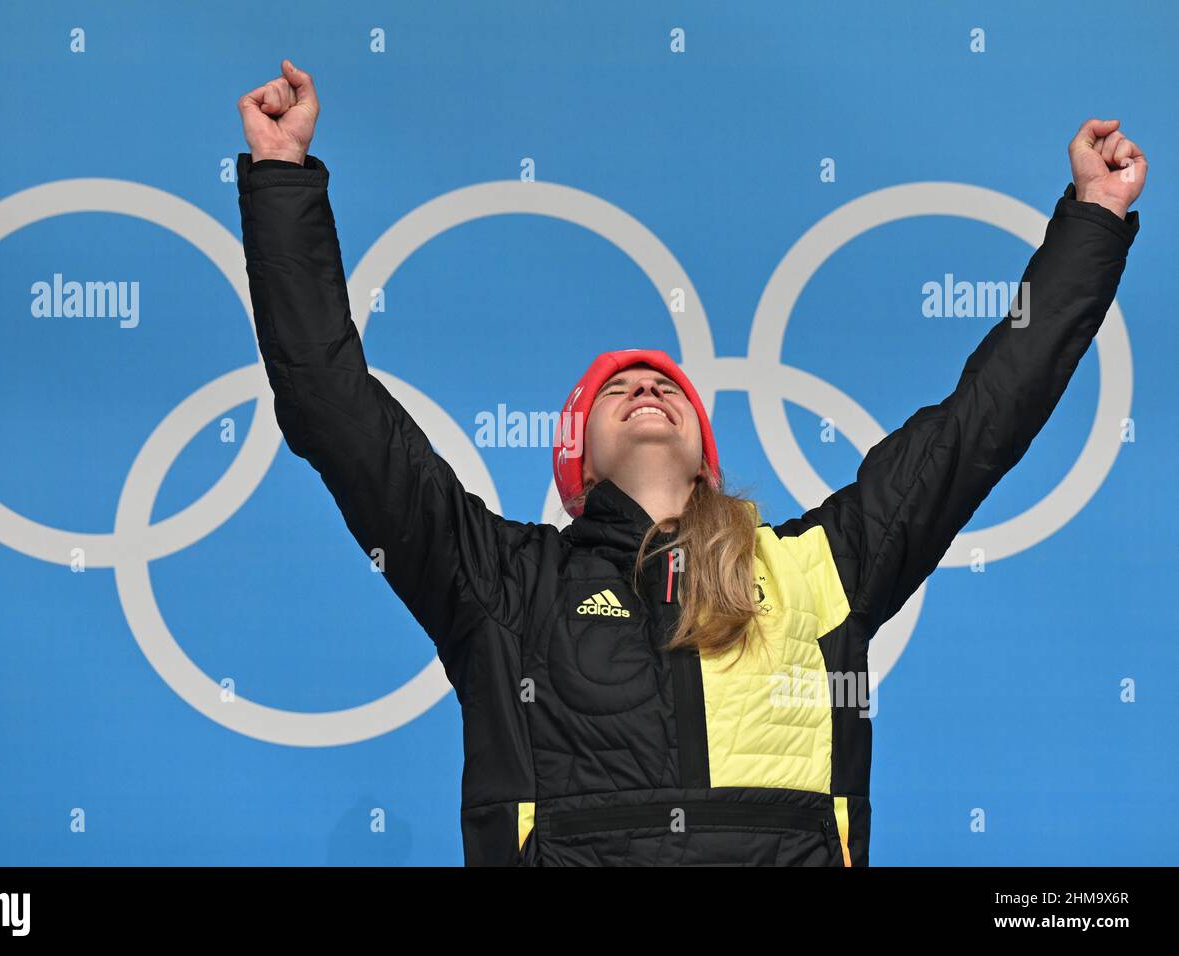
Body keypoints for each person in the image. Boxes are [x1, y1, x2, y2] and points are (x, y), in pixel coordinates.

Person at [236, 58, 1145, 866]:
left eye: (665, 383)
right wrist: (283, 180)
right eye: (614, 388)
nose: (644, 386)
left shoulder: (815, 569)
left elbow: (984, 420)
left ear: (706, 453)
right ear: (575, 457)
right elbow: (330, 403)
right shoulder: (499, 581)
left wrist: (1093, 219)